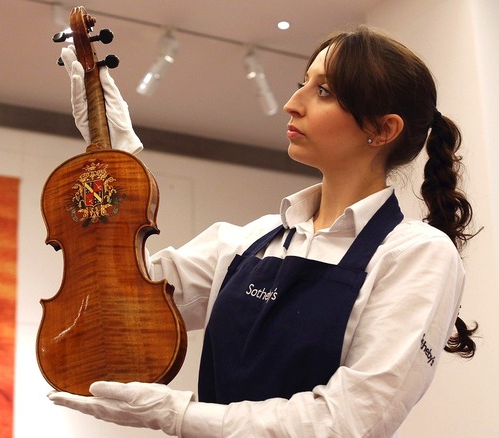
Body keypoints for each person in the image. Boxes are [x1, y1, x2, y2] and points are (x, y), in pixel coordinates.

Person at [47, 25, 477, 437]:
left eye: (323, 91)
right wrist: (116, 161)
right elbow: (117, 306)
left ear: (383, 129)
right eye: (302, 82)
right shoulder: (246, 241)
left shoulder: (414, 253)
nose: (293, 102)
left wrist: (177, 414)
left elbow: (348, 422)